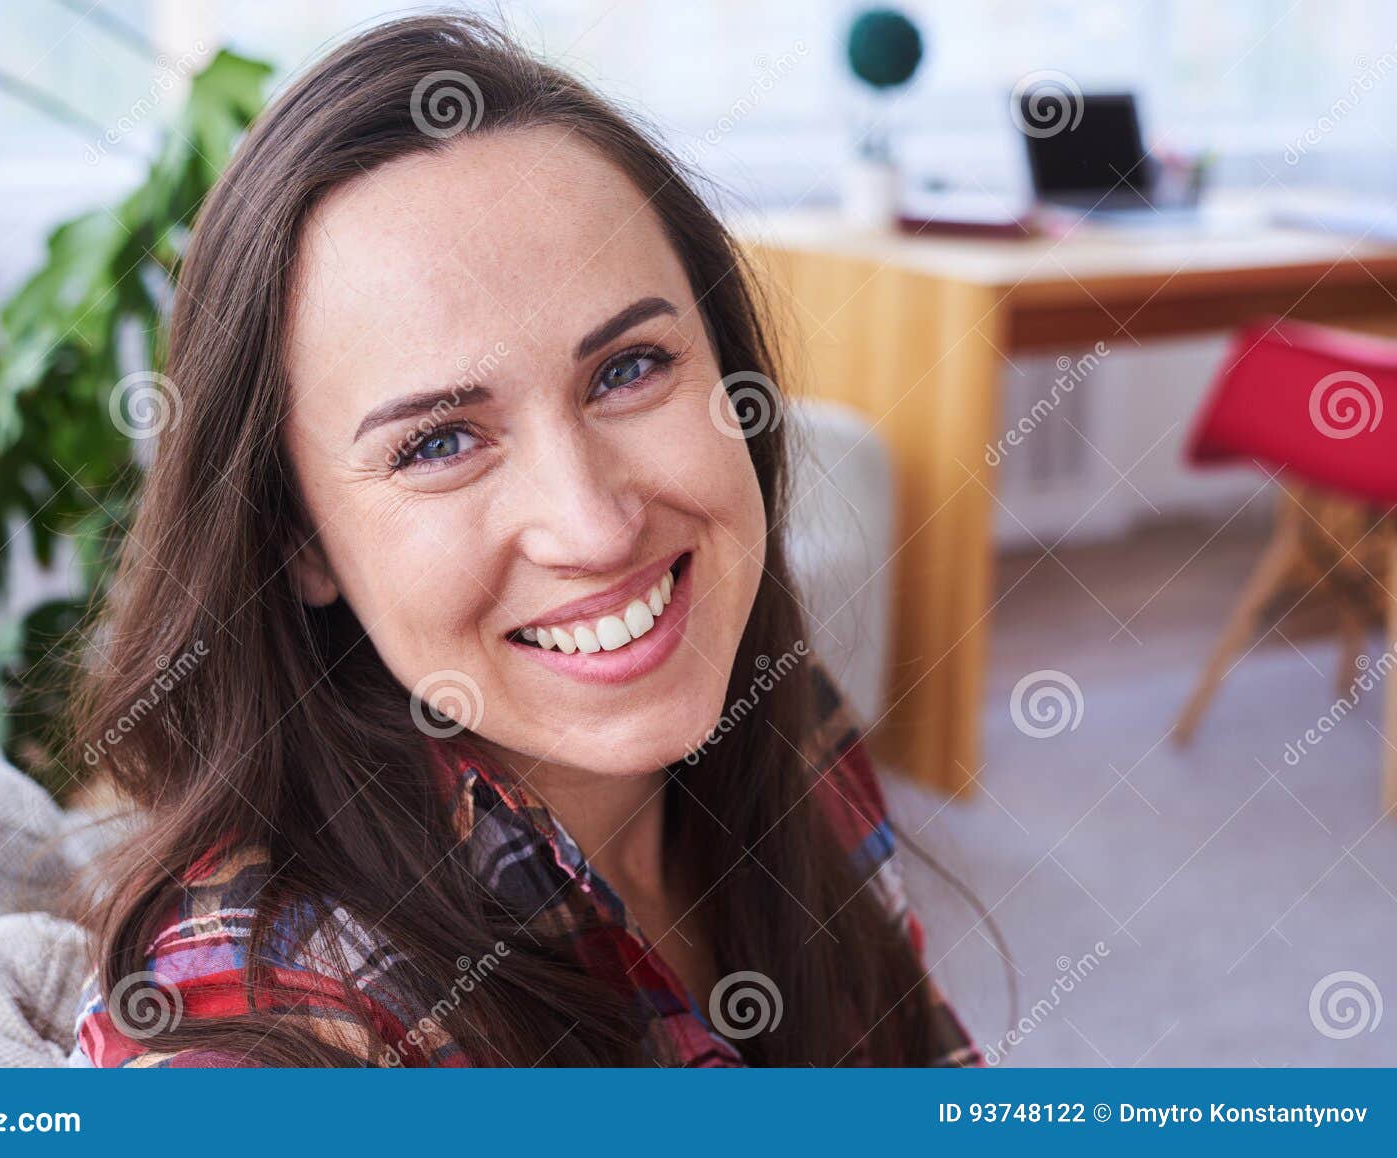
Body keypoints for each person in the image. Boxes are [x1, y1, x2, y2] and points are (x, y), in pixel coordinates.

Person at [72, 13, 977, 1068]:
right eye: (441, 441)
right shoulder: (267, 1021)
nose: (595, 527)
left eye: (629, 369)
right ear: (297, 542)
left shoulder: (789, 715)